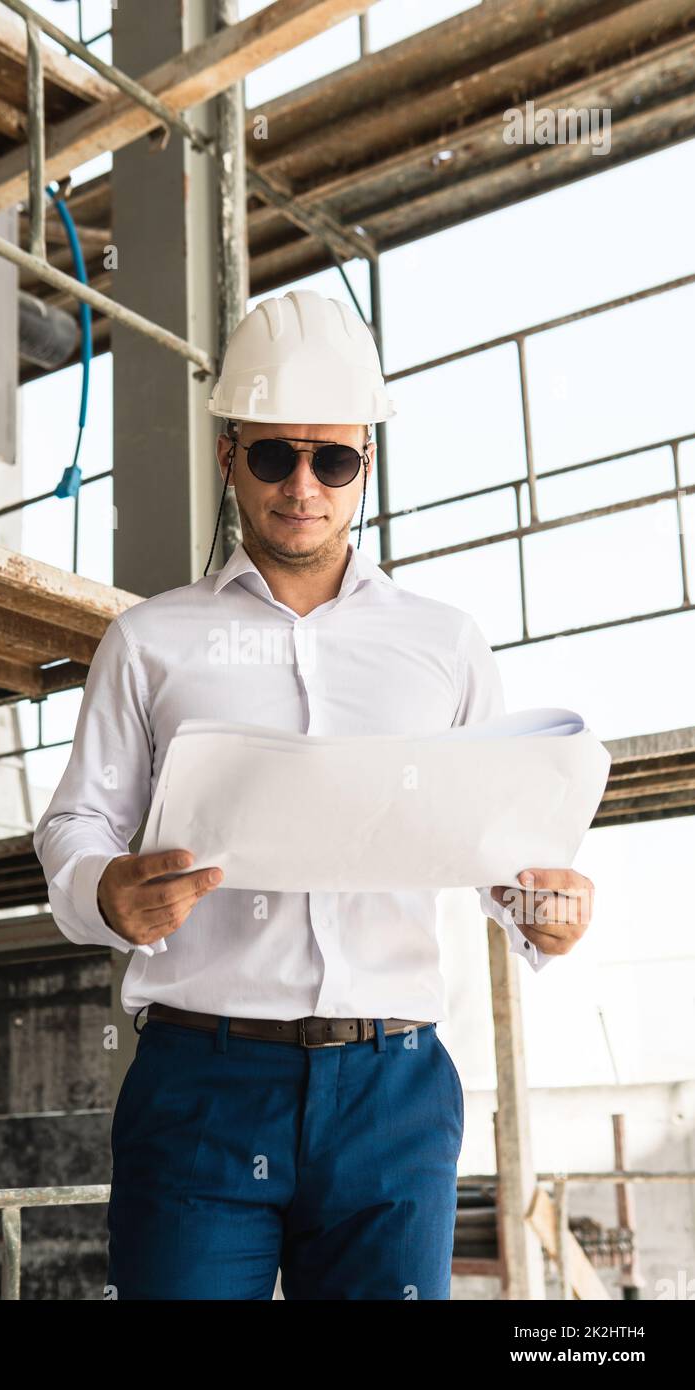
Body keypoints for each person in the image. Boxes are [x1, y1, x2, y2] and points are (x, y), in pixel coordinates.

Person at [33, 288, 594, 1300]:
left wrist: (538, 910)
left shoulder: (442, 645)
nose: (302, 485)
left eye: (330, 459)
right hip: (203, 1085)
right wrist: (104, 891)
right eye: (271, 455)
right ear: (226, 457)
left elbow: (492, 847)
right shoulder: (149, 641)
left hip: (392, 1091)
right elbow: (78, 820)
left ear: (363, 465)